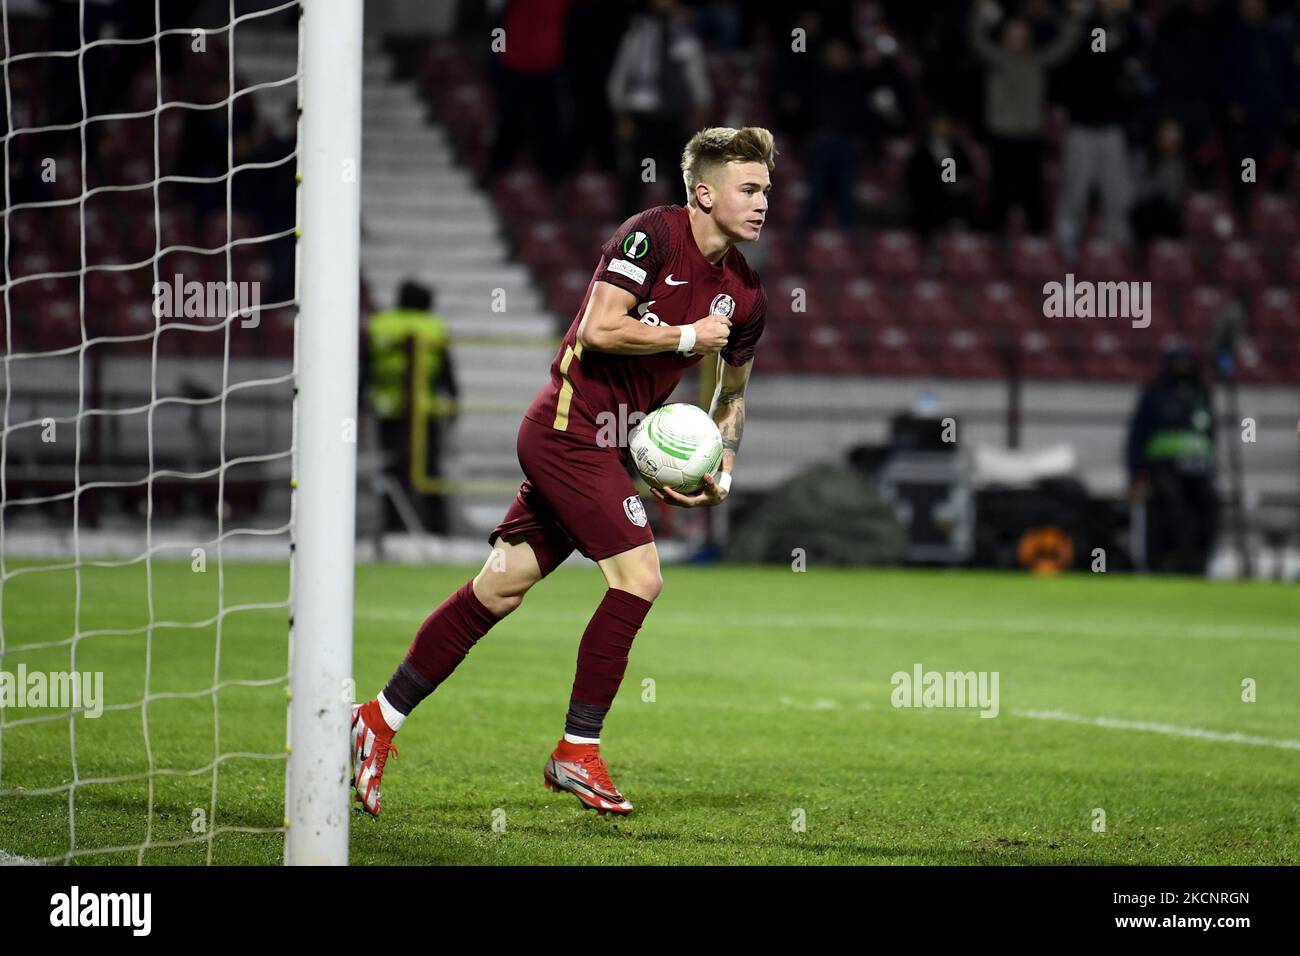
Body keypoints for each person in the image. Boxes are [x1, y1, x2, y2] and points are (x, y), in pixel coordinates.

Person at [349, 127, 772, 817]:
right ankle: (577, 750)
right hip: (565, 431)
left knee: (502, 585)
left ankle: (375, 719)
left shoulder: (746, 295)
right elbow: (599, 330)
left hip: (607, 445)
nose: (762, 203)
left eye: (766, 191)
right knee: (641, 578)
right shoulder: (651, 238)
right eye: (749, 189)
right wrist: (687, 337)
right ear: (705, 191)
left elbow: (732, 394)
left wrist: (720, 466)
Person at [968, 0, 1081, 234]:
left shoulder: (1038, 60)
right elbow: (976, 39)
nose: (1016, 39)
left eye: (1021, 34)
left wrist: (1073, 18)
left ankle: (1036, 249)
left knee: (1033, 197)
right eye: (1012, 34)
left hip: (1030, 138)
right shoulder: (995, 58)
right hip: (1001, 137)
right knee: (999, 195)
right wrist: (980, 12)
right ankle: (993, 247)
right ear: (1005, 36)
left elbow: (1064, 46)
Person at [364, 280, 459, 535]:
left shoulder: (380, 324)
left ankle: (394, 527)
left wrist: (362, 402)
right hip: (424, 410)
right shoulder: (433, 327)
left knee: (391, 468)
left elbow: (366, 368)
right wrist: (452, 402)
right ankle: (437, 528)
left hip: (389, 410)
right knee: (430, 469)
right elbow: (446, 371)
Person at [1126, 345, 1218, 574]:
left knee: (1210, 504)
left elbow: (1209, 433)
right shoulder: (1155, 392)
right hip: (1163, 466)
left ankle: (1199, 560)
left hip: (1198, 468)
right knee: (1170, 504)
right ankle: (1168, 561)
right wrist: (1136, 473)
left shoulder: (1201, 393)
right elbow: (1138, 434)